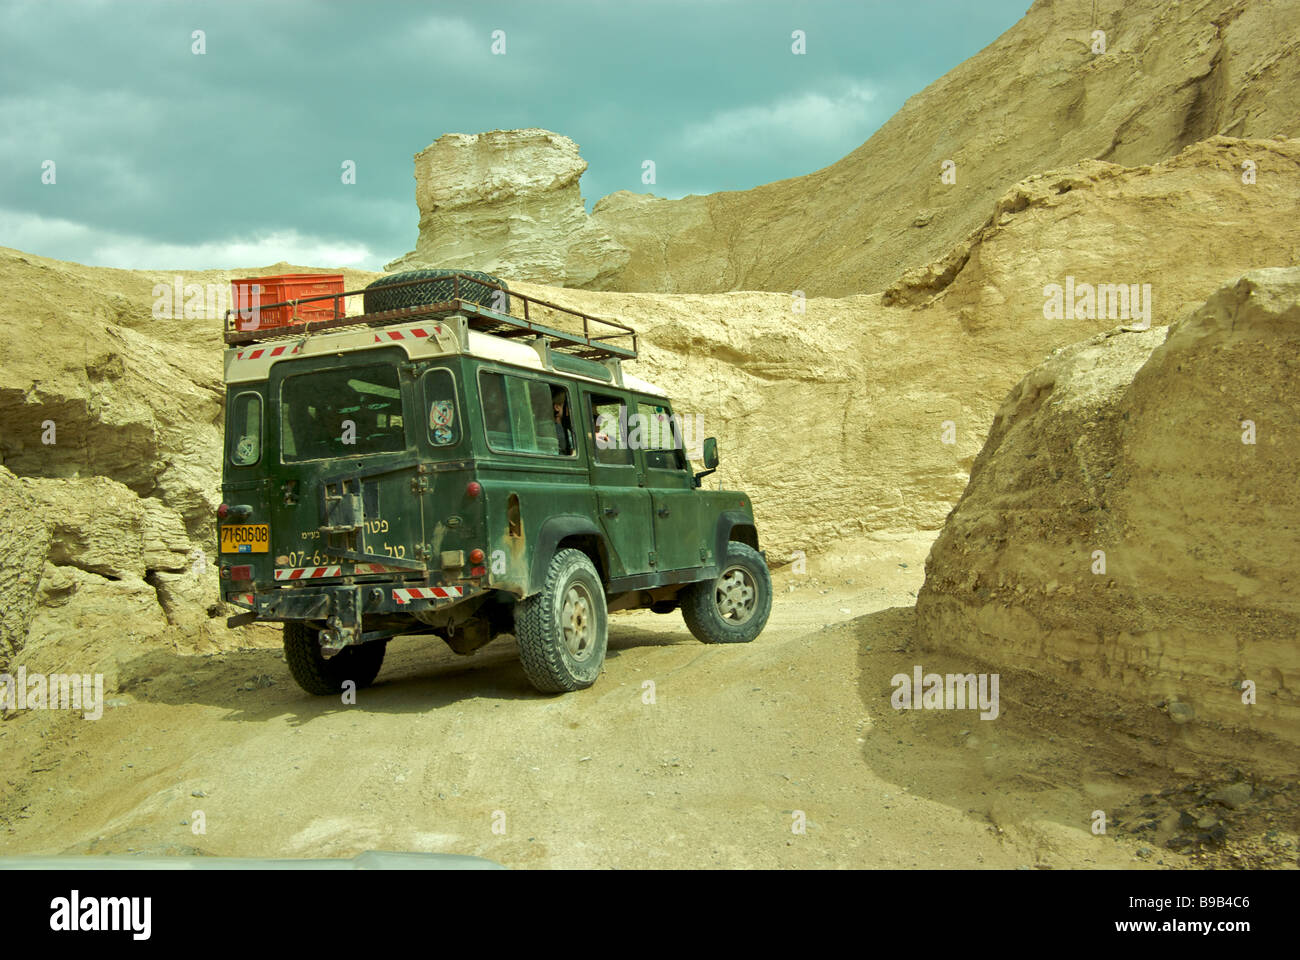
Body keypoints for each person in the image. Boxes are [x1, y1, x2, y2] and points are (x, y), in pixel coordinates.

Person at [551, 388, 575, 454]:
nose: (571, 409)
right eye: (569, 406)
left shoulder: (564, 427)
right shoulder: (558, 430)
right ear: (557, 407)